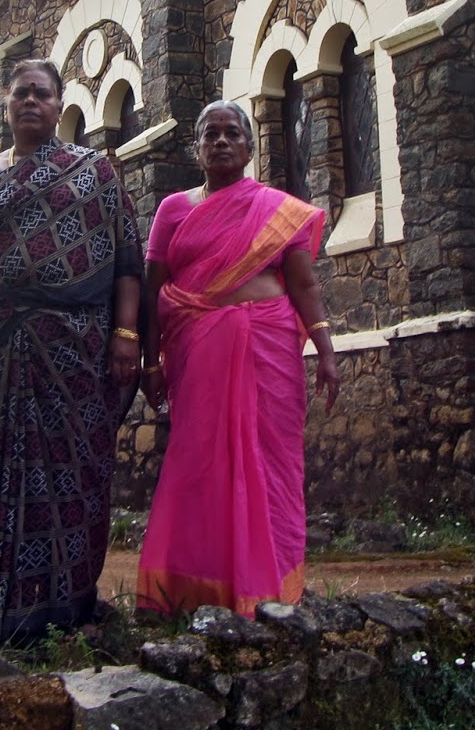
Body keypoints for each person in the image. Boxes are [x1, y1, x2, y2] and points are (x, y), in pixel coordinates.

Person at [0, 58, 143, 649]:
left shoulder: (94, 172)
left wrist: (127, 336)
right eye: (21, 93)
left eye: (41, 94)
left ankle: (66, 602)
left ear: (58, 104)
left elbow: (127, 261)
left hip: (74, 350)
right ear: (5, 103)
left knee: (73, 470)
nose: (30, 102)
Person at [136, 99, 340, 617]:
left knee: (272, 464)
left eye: (233, 133)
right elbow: (152, 292)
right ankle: (195, 591)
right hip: (197, 350)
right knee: (198, 462)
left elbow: (304, 285)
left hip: (268, 349)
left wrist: (326, 349)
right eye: (211, 134)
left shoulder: (277, 211)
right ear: (196, 148)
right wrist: (150, 364)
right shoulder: (173, 211)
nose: (222, 141)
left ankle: (270, 588)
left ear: (250, 148)